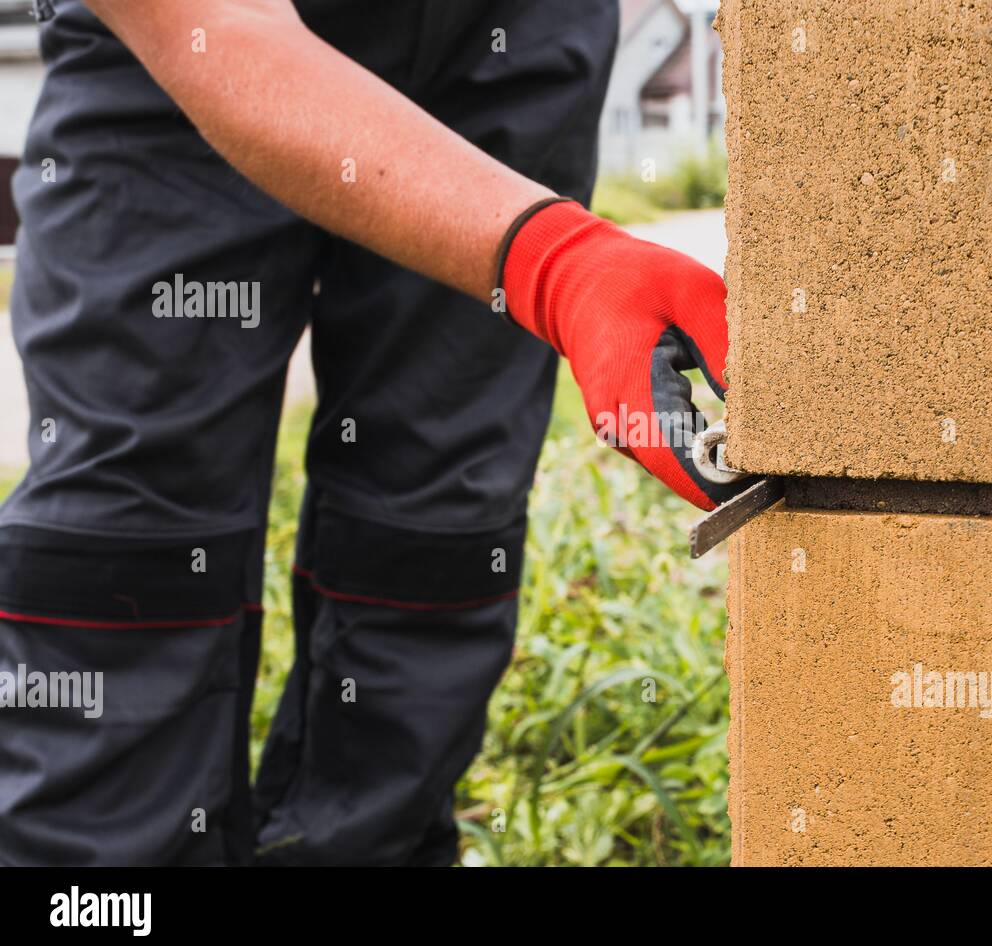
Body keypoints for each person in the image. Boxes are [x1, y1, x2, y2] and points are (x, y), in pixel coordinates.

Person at [0, 0, 741, 865]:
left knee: (435, 522)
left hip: (511, 33)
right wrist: (557, 266)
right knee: (134, 533)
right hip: (184, 50)